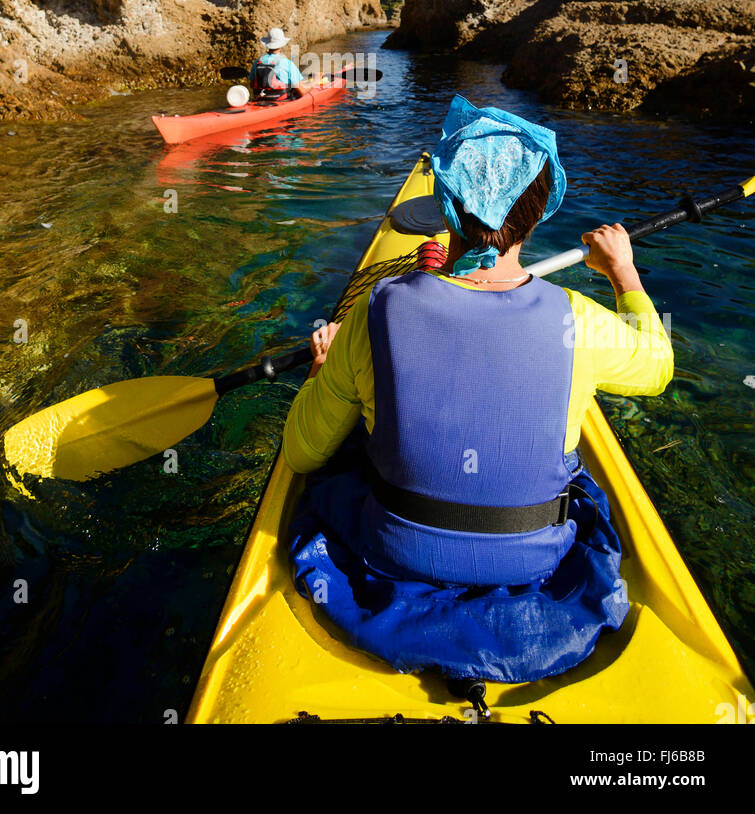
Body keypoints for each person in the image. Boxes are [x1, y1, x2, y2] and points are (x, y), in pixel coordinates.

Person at [282, 95, 674, 683]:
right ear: (540, 210)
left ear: (443, 204)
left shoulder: (373, 312)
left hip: (392, 551)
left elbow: (303, 453)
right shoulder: (581, 319)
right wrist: (623, 272)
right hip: (536, 557)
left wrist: (321, 369)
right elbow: (658, 366)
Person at [249, 27, 311, 98]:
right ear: (281, 45)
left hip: (260, 99)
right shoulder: (287, 63)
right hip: (281, 100)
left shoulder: (257, 62)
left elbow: (252, 85)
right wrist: (315, 81)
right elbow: (302, 92)